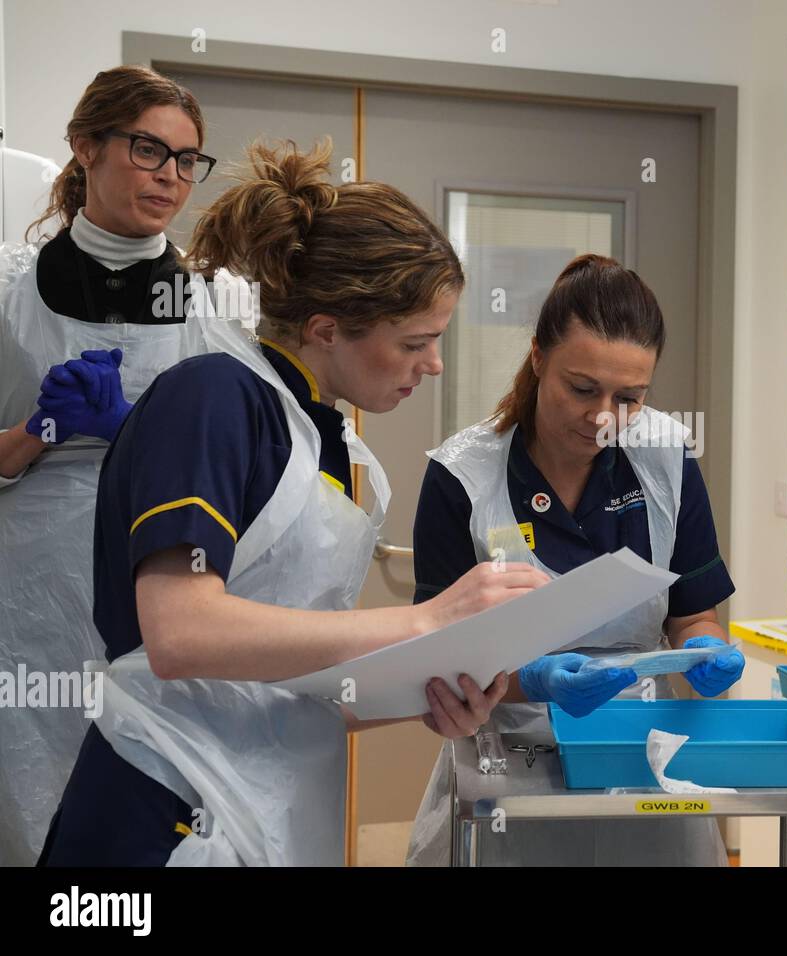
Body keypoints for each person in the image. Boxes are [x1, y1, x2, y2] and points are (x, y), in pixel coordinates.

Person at [38, 141, 538, 866]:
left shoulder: (329, 445)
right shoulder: (213, 397)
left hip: (270, 801)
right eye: (416, 343)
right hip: (163, 803)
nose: (432, 364)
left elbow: (287, 676)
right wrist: (427, 619)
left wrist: (423, 693)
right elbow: (181, 631)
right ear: (327, 328)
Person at [406, 254, 744, 866]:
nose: (602, 418)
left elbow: (694, 615)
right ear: (538, 358)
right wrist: (526, 680)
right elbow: (436, 666)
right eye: (583, 388)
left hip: (642, 763)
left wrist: (708, 652)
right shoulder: (463, 476)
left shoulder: (667, 458)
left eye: (629, 398)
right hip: (508, 770)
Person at [0, 66, 222, 865]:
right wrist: (38, 428)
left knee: (146, 801)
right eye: (149, 150)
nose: (171, 176)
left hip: (160, 570)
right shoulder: (10, 288)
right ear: (85, 146)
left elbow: (241, 469)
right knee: (31, 792)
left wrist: (139, 436)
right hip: (32, 590)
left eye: (188, 159)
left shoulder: (213, 301)